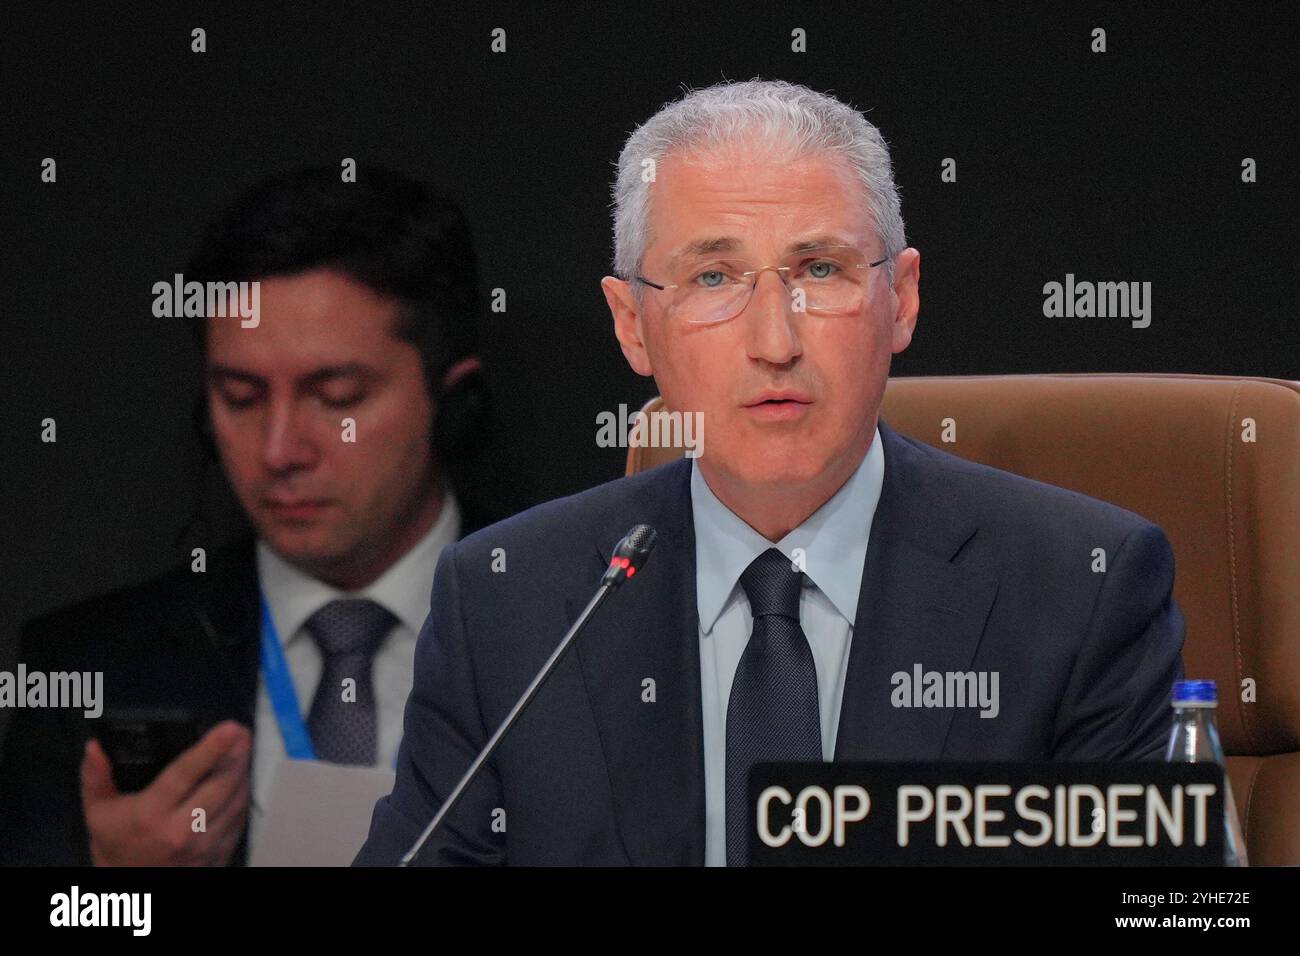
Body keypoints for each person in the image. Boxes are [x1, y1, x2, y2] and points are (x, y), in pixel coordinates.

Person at [354, 80, 1185, 867]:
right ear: (632, 325)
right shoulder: (511, 603)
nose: (775, 341)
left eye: (819, 270)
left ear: (901, 297)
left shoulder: (1081, 591)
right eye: (713, 278)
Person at [0, 165, 494, 865]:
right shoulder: (94, 666)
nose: (279, 449)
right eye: (240, 397)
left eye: (339, 396)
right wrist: (117, 894)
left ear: (451, 402)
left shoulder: (577, 633)